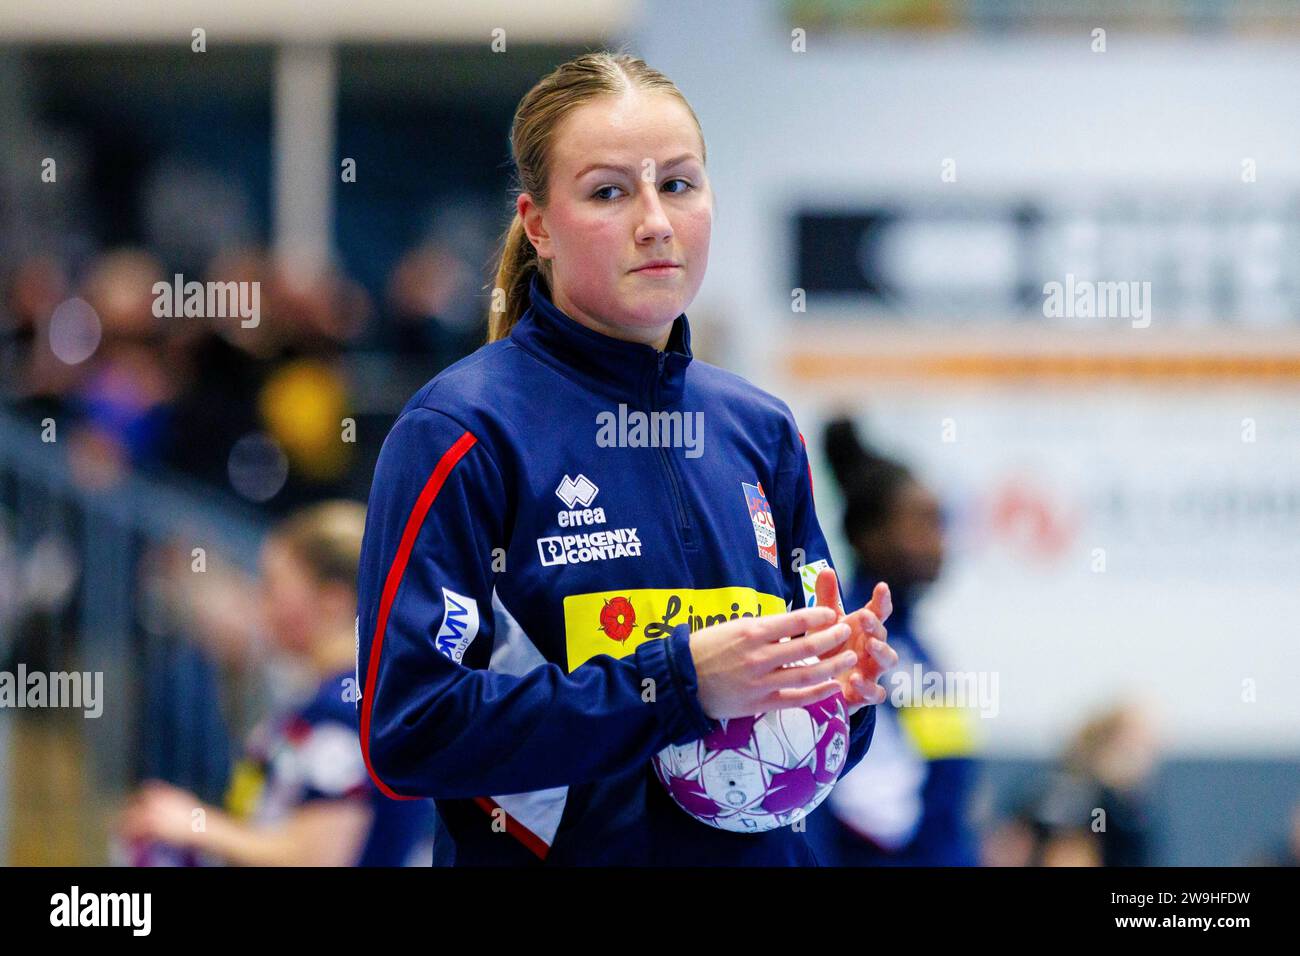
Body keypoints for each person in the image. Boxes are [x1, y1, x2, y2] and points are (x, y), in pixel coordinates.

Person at [355, 50, 898, 866]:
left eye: (678, 184)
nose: (655, 222)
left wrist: (836, 701)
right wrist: (677, 683)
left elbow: (790, 744)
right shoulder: (462, 431)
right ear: (538, 225)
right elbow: (409, 729)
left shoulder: (760, 429)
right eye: (609, 192)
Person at [118, 501, 434, 866]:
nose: (261, 602)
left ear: (332, 601)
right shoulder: (350, 696)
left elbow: (319, 859)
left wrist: (195, 825)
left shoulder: (343, 710)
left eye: (272, 586)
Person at [805, 417, 980, 866]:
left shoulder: (915, 645)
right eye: (921, 524)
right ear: (867, 537)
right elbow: (860, 810)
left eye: (940, 524)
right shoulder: (846, 645)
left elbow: (941, 785)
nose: (938, 544)